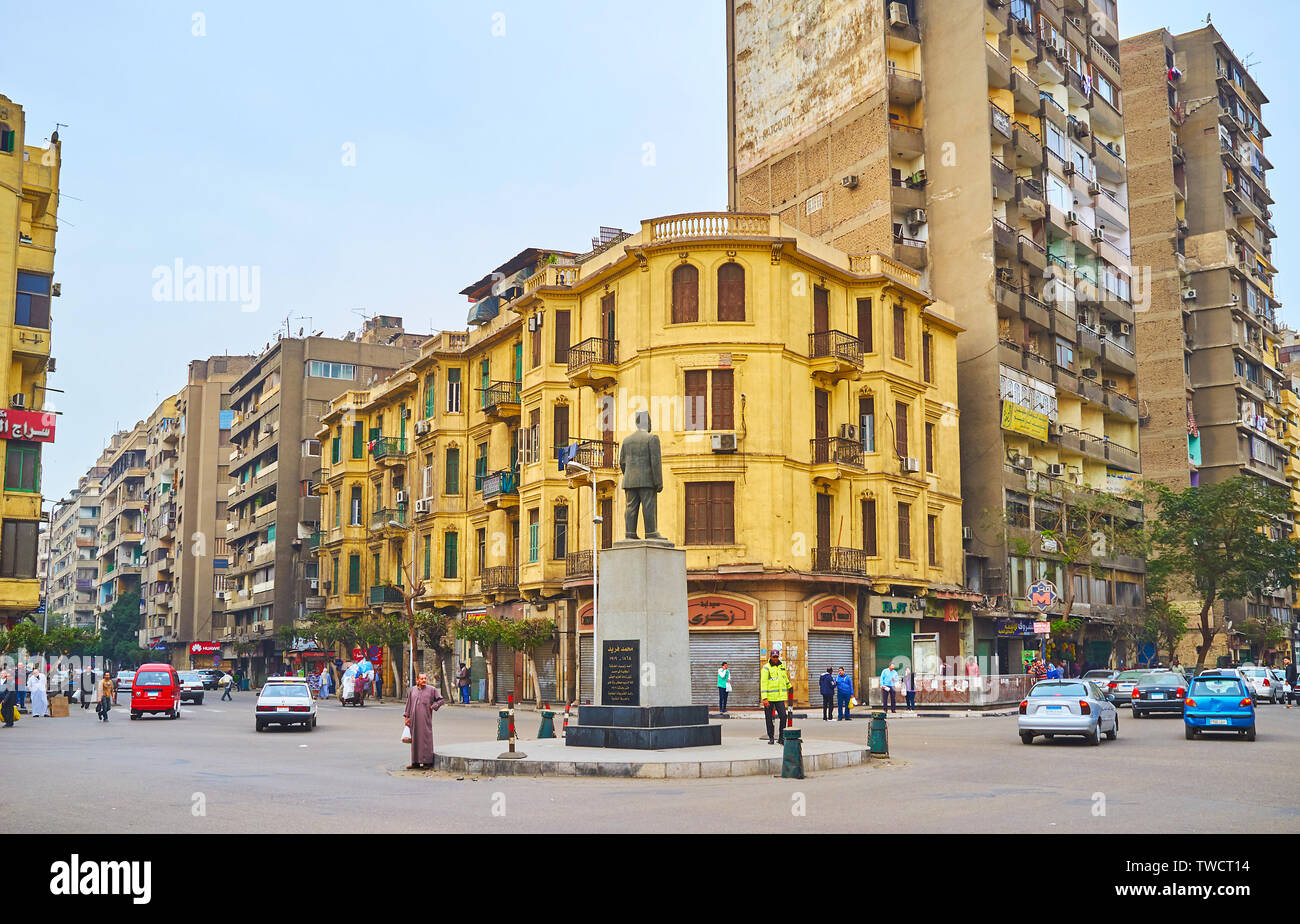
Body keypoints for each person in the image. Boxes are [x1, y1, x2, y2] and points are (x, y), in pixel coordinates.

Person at [403, 672, 446, 769]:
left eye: (425, 678)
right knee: (415, 740)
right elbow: (409, 704)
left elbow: (441, 700)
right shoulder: (413, 690)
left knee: (426, 739)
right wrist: (407, 717)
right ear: (417, 680)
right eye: (421, 679)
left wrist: (433, 706)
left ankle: (427, 762)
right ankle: (415, 762)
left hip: (425, 719)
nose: (424, 680)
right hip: (414, 720)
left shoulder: (431, 690)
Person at [760, 650, 791, 745]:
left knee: (783, 716)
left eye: (776, 657)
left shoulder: (782, 667)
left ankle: (781, 737)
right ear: (770, 657)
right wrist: (764, 698)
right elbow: (763, 683)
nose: (775, 658)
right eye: (773, 657)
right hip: (769, 699)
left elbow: (784, 678)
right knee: (769, 718)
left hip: (779, 698)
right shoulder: (766, 668)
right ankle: (771, 737)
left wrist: (789, 686)